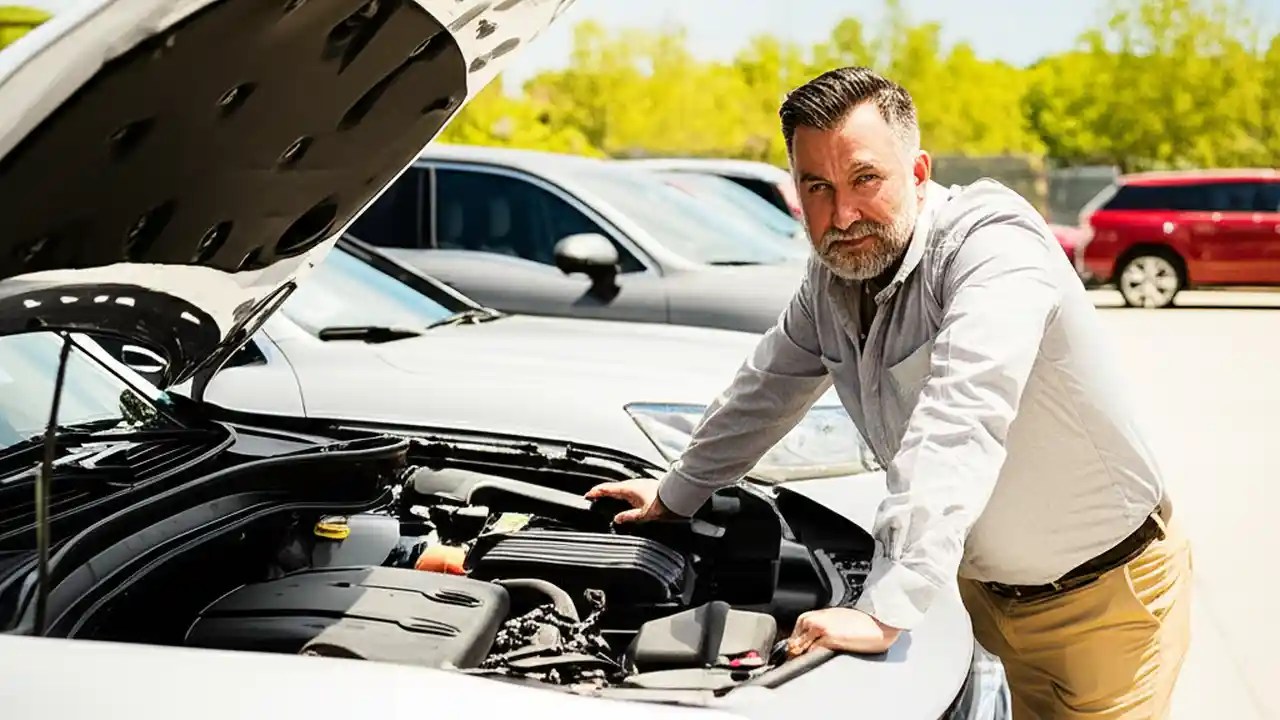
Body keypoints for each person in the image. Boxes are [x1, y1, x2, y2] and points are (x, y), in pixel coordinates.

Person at [585, 66, 1192, 719]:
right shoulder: (833, 278)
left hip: (1103, 606)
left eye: (864, 180)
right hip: (989, 601)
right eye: (817, 187)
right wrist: (677, 495)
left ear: (920, 171)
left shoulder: (993, 247)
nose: (842, 213)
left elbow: (962, 412)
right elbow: (766, 387)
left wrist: (887, 607)